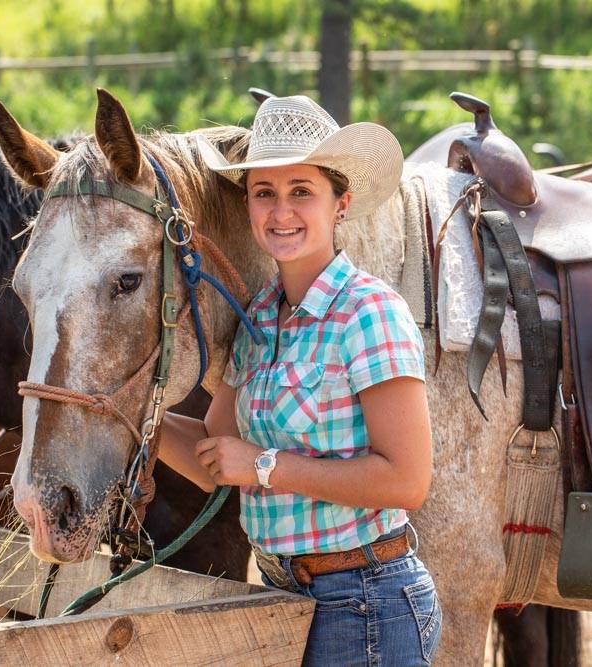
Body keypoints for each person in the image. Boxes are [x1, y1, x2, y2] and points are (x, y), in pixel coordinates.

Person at [158, 95, 442, 666]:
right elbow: (215, 458)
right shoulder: (260, 318)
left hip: (367, 603)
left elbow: (407, 480)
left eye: (302, 191)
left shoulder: (369, 313)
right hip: (282, 596)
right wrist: (128, 419)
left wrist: (265, 466)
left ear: (341, 204)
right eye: (264, 192)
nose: (280, 211)